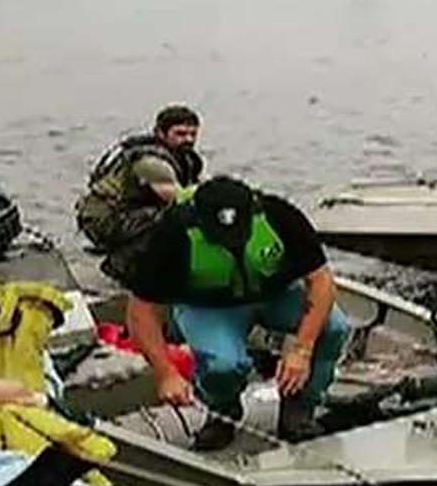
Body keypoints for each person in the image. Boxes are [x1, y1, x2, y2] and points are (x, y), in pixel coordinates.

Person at [124, 176, 350, 451]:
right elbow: (141, 311)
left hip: (275, 296)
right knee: (223, 365)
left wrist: (302, 349)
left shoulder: (278, 215)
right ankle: (223, 413)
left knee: (335, 327)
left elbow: (322, 281)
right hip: (209, 308)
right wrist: (165, 372)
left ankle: (300, 408)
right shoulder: (173, 233)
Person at [75, 105, 204, 283]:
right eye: (180, 134)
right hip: (104, 217)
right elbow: (176, 197)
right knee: (172, 219)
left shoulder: (183, 157)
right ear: (160, 133)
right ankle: (119, 267)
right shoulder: (151, 162)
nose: (188, 140)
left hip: (127, 210)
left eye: (193, 134)